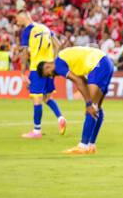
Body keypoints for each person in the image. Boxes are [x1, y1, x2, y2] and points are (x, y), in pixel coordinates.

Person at [36, 46, 114, 154]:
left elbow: (78, 81)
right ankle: (91, 145)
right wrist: (89, 101)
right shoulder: (68, 61)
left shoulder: (58, 65)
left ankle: (83, 146)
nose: (52, 76)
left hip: (98, 64)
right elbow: (82, 81)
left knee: (91, 108)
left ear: (47, 66)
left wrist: (88, 103)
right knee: (97, 107)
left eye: (48, 74)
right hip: (106, 63)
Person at [14, 11, 65, 139]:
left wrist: (22, 72)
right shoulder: (45, 28)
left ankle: (37, 131)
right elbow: (58, 44)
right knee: (47, 98)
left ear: (23, 17)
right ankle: (60, 118)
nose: (17, 22)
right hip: (49, 67)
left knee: (37, 99)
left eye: (17, 19)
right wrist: (53, 62)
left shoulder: (27, 31)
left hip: (37, 68)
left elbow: (24, 52)